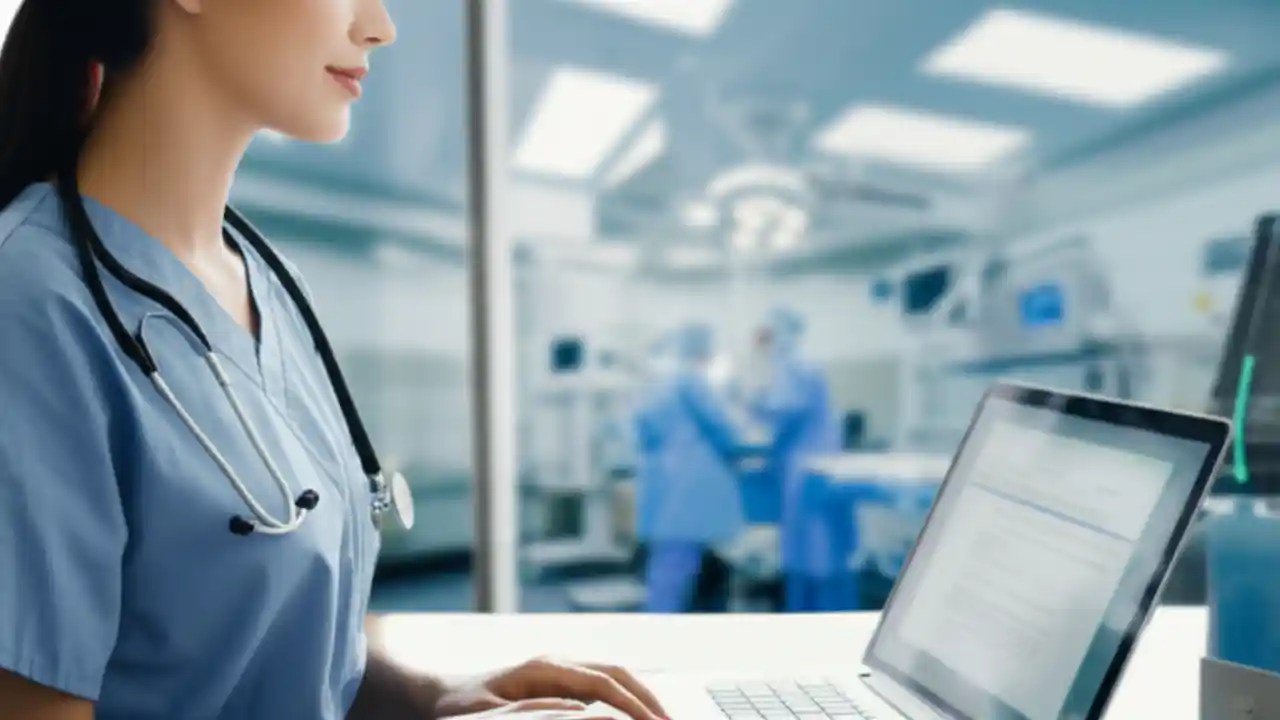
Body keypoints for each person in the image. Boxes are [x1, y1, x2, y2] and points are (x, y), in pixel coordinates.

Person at [0, 2, 666, 719]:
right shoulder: (29, 306)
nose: (379, 26)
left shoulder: (269, 282)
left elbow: (264, 635)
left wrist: (429, 697)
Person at [634, 323, 745, 613]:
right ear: (705, 350)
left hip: (665, 485)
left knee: (668, 569)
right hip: (689, 488)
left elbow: (644, 432)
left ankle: (657, 630)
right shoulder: (691, 382)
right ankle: (660, 637)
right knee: (675, 568)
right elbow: (724, 431)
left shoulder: (658, 385)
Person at [749, 308, 838, 612]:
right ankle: (804, 607)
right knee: (804, 543)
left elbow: (786, 409)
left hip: (806, 463)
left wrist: (755, 403)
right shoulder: (794, 363)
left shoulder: (796, 364)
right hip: (804, 459)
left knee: (810, 545)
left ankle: (813, 614)